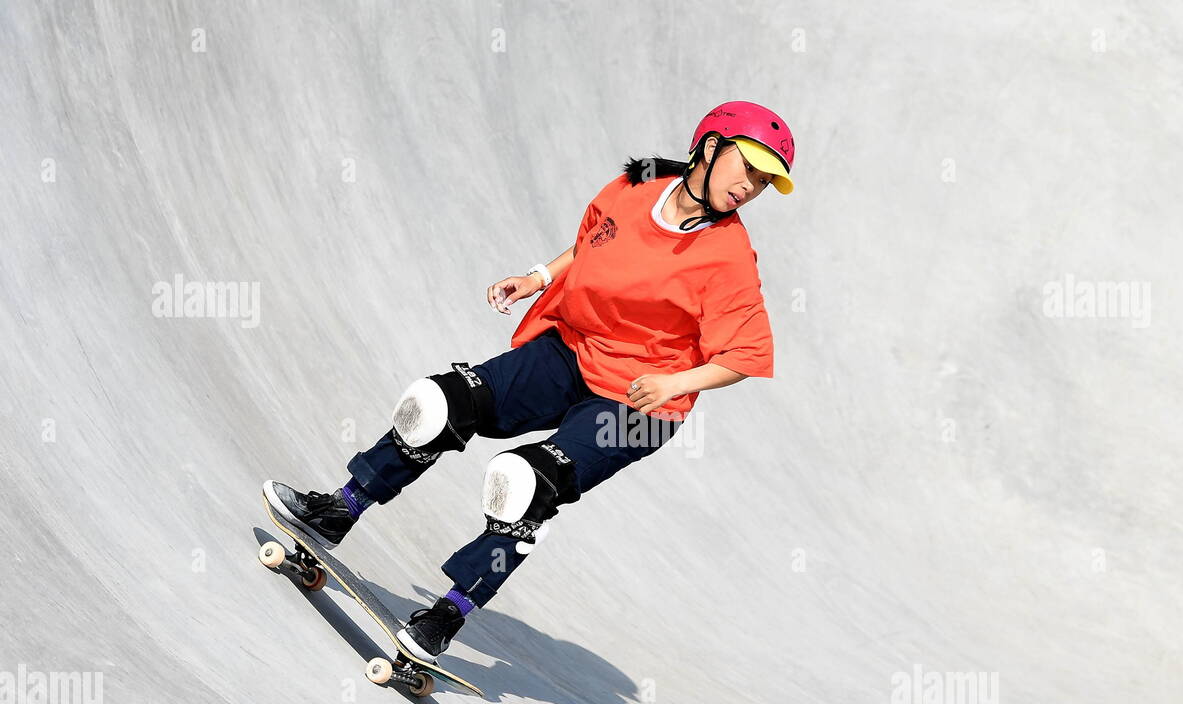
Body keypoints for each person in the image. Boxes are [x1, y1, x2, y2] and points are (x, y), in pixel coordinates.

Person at [264, 100, 796, 666]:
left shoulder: (729, 255)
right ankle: (341, 509)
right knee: (438, 404)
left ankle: (448, 615)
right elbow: (595, 240)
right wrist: (538, 277)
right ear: (710, 148)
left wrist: (675, 383)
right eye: (749, 168)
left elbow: (746, 354)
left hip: (638, 404)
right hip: (571, 349)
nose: (752, 187)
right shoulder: (640, 181)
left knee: (524, 482)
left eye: (765, 181)